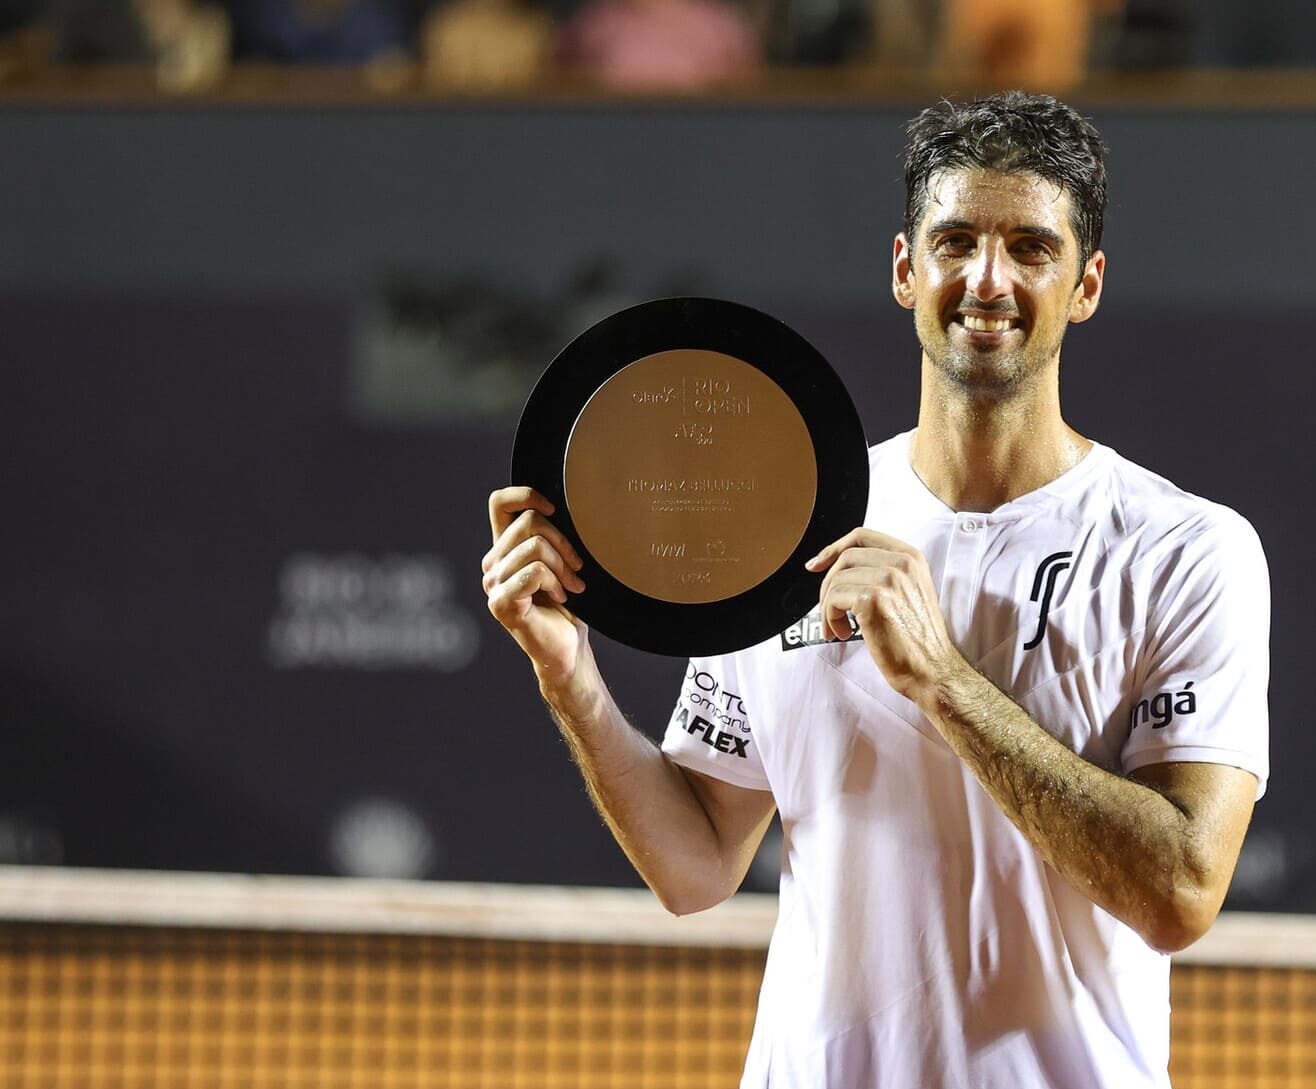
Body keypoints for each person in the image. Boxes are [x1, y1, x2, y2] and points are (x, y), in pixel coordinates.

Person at [481, 91, 1269, 1089]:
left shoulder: (1184, 549)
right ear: (907, 268)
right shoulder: (783, 529)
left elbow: (1180, 893)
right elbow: (694, 868)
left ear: (1085, 286)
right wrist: (569, 676)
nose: (988, 279)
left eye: (1031, 248)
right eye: (956, 242)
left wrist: (944, 682)